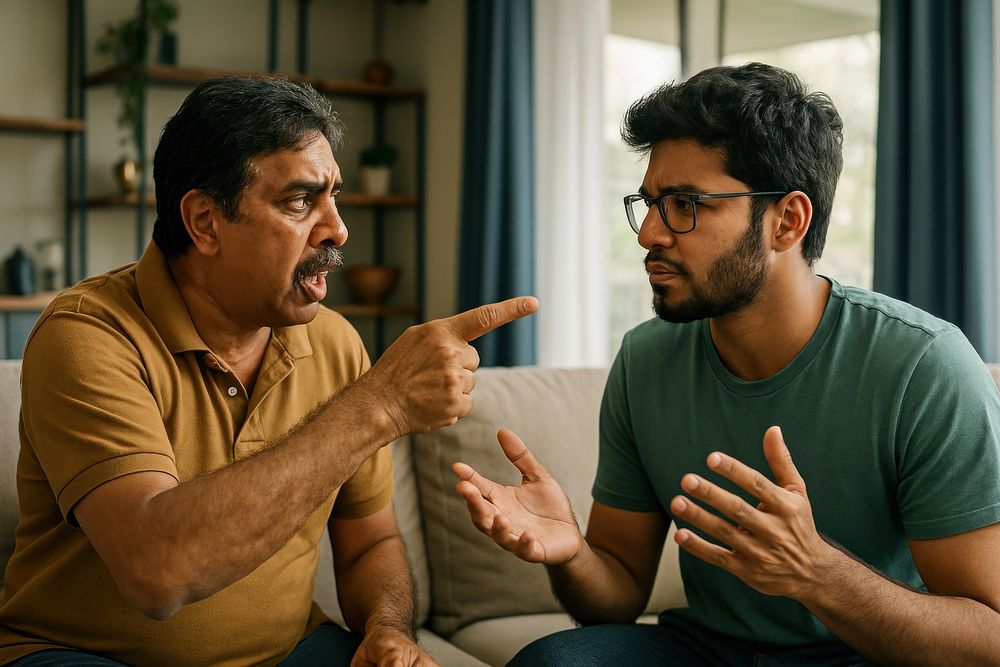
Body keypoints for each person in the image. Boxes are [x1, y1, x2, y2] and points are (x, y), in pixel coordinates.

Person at [453, 62, 1000, 666]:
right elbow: (614, 599)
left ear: (786, 221)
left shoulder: (922, 366)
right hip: (709, 649)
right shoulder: (645, 360)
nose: (650, 235)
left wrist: (816, 574)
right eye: (651, 203)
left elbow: (987, 636)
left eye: (685, 204)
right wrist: (571, 552)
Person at [0, 76, 536, 667]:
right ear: (205, 221)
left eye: (334, 196)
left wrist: (388, 629)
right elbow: (157, 573)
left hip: (287, 652)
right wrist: (378, 406)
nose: (337, 230)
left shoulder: (333, 342)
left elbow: (371, 544)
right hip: (85, 656)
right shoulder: (86, 334)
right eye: (300, 201)